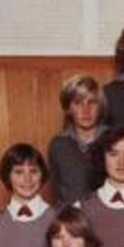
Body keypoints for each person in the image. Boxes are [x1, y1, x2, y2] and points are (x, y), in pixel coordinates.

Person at [49, 75, 107, 205]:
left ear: (100, 106)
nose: (86, 110)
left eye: (91, 102)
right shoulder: (58, 145)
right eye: (78, 102)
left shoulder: (113, 140)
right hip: (72, 220)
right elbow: (57, 193)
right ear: (68, 109)